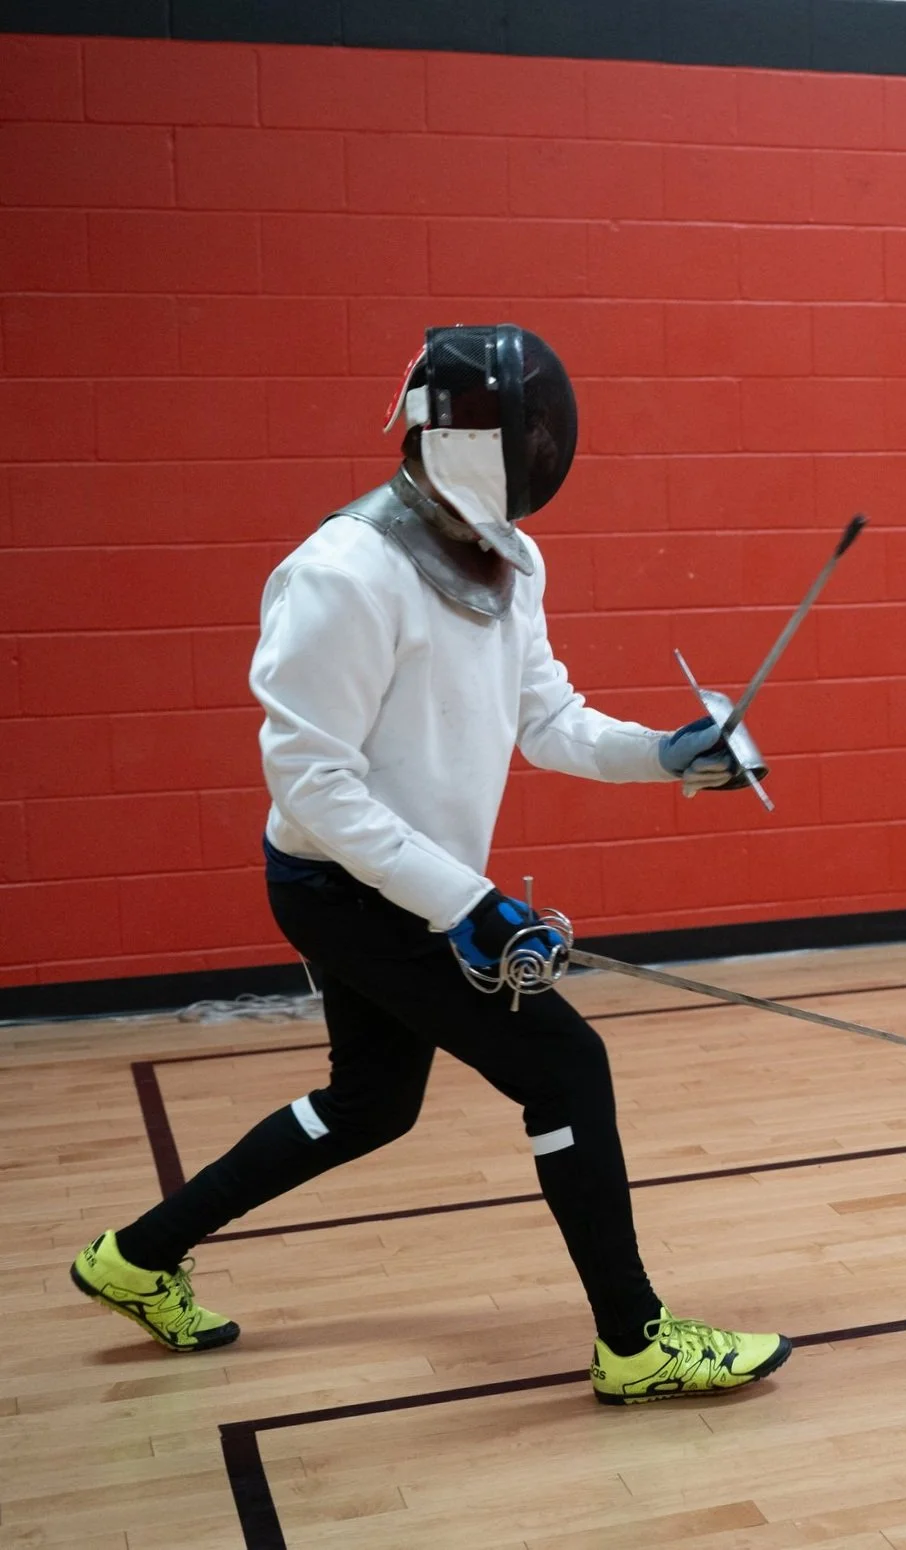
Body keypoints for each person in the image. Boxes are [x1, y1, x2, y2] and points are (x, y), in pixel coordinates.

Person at [70, 325, 789, 1404]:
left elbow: (545, 719)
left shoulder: (512, 555)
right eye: (523, 429)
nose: (541, 446)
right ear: (457, 436)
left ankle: (135, 1254)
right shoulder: (342, 574)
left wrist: (667, 755)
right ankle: (635, 1341)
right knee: (563, 1066)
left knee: (369, 1103)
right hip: (340, 887)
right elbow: (313, 784)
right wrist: (468, 902)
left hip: (421, 887)